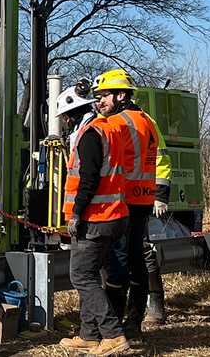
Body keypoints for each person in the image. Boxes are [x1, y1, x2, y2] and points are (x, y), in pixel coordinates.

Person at [93, 68, 171, 333]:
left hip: (119, 202)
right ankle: (134, 323)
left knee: (116, 262)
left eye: (105, 95)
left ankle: (113, 326)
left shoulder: (115, 123)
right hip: (141, 201)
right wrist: (159, 195)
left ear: (121, 95)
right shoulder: (147, 120)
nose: (100, 101)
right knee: (137, 260)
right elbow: (161, 157)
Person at [58, 79, 131, 356]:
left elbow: (88, 179)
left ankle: (113, 334)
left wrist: (76, 213)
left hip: (96, 218)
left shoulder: (90, 135)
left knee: (81, 276)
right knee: (91, 275)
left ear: (70, 117)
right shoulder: (110, 129)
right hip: (114, 215)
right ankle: (89, 335)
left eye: (64, 119)